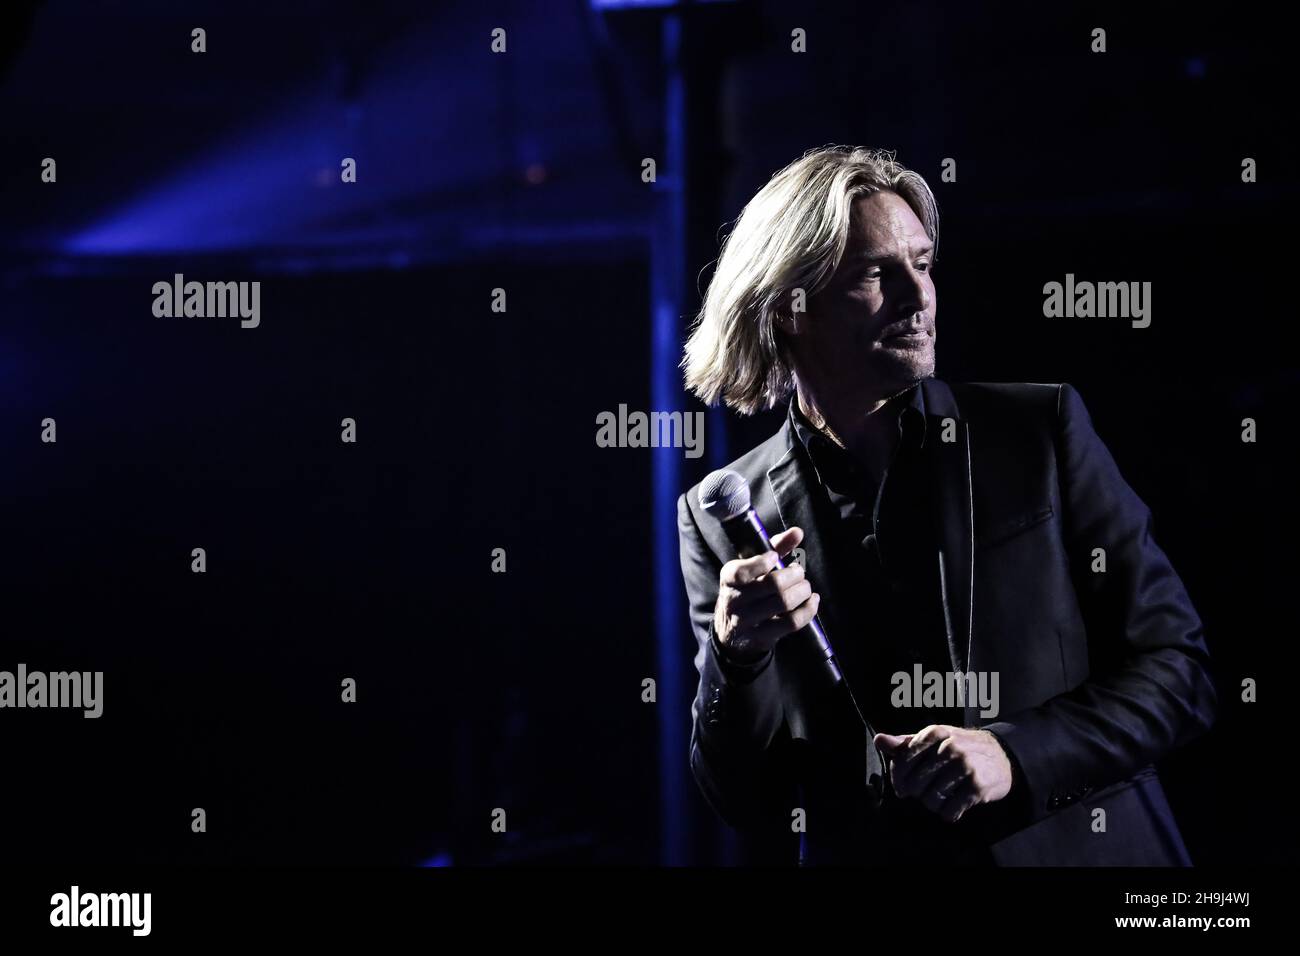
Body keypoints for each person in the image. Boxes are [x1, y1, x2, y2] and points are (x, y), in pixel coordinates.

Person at [676, 146, 1217, 865]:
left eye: (923, 265)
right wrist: (735, 655)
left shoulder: (1038, 433)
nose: (918, 296)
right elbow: (742, 799)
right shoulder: (721, 518)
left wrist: (1012, 755)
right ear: (789, 305)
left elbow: (1179, 673)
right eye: (877, 273)